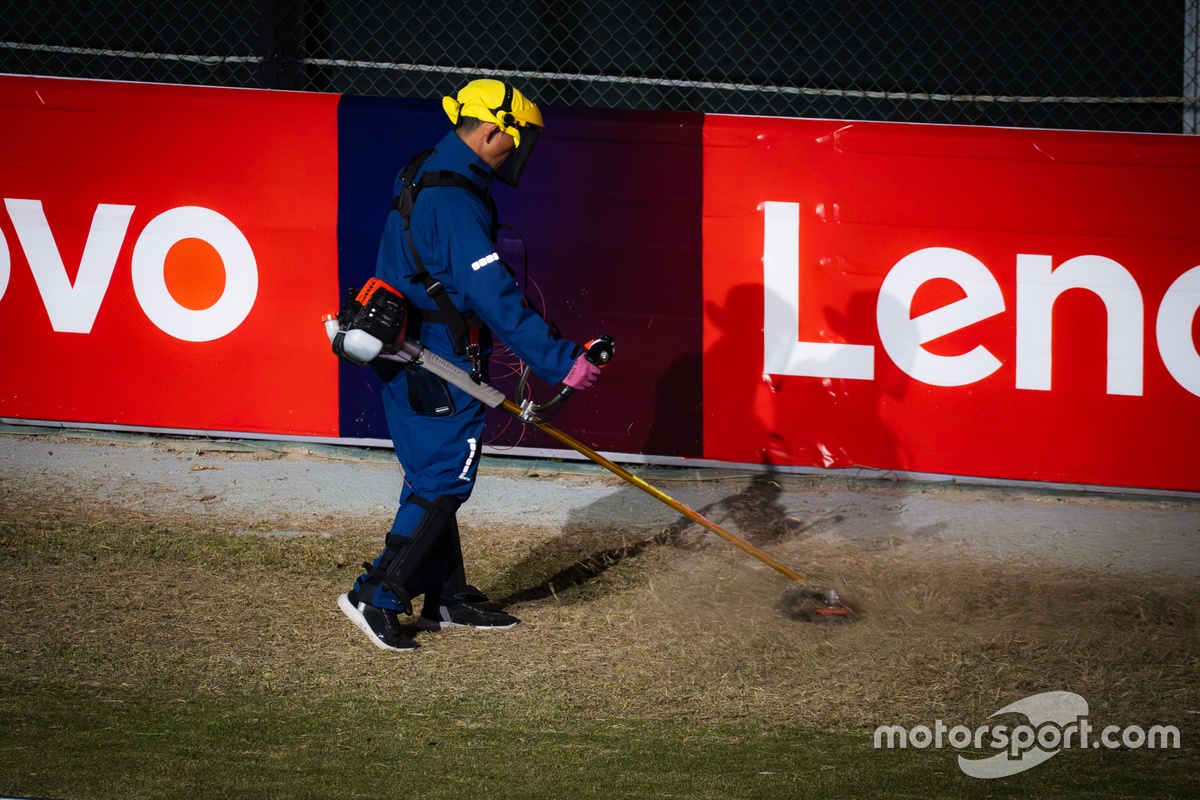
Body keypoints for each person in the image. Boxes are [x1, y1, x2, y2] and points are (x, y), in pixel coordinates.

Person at [339, 79, 603, 652]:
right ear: (491, 132)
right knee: (442, 480)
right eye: (518, 140)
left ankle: (444, 597)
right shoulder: (455, 198)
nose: (518, 153)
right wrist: (561, 360)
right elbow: (493, 295)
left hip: (407, 347)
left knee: (433, 476)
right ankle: (376, 593)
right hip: (432, 358)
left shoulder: (427, 167)